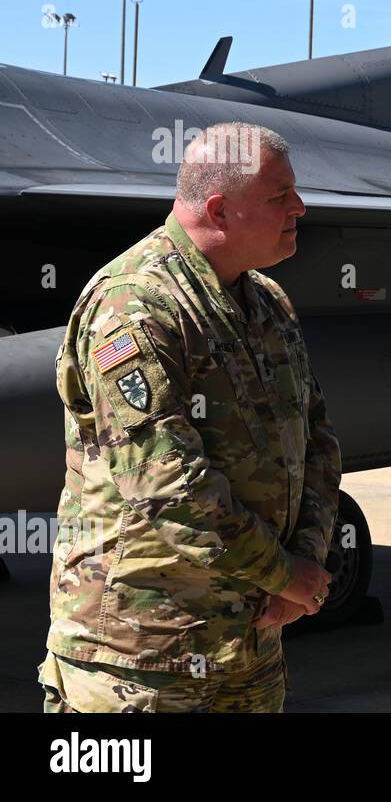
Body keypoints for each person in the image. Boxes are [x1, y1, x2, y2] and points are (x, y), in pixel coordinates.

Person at [38, 122, 340, 713]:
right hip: (141, 659)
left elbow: (317, 443)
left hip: (248, 644)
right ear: (220, 209)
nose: (300, 208)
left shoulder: (268, 302)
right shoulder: (136, 304)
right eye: (280, 196)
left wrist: (303, 567)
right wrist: (283, 575)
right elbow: (166, 486)